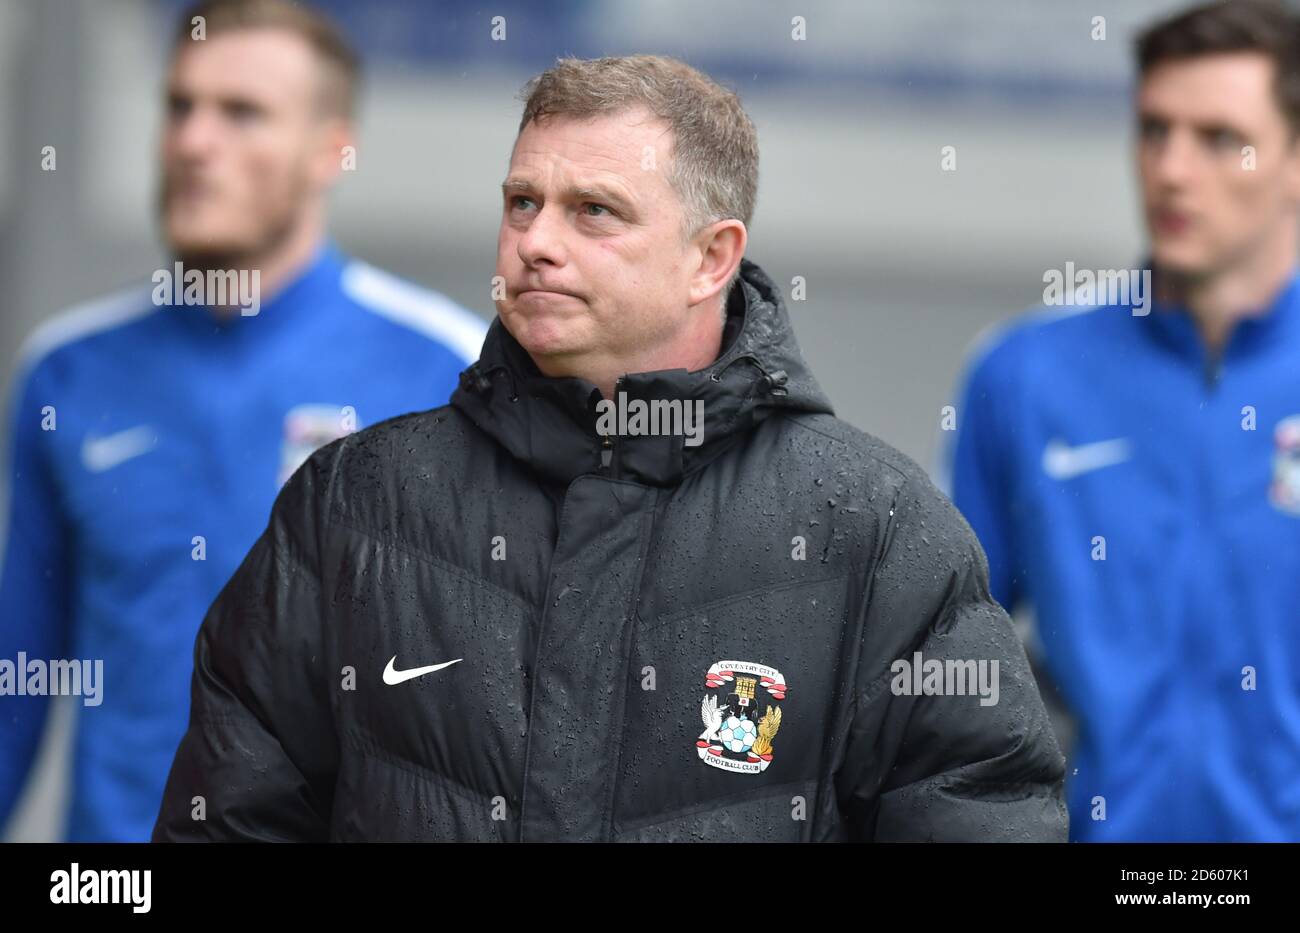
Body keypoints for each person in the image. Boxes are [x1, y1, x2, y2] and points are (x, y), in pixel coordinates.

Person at [153, 53, 1065, 843]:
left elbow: (981, 811)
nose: (536, 242)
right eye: (522, 203)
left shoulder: (878, 532)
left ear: (712, 257)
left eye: (593, 210)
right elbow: (231, 818)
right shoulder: (351, 505)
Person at [0, 0, 487, 842]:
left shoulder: (445, 367)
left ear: (332, 149)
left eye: (242, 113)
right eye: (180, 106)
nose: (193, 143)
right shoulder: (68, 371)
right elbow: (19, 682)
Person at [944, 0, 1300, 841]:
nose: (1173, 170)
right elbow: (945, 667)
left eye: (1220, 139)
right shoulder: (1024, 375)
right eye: (1154, 131)